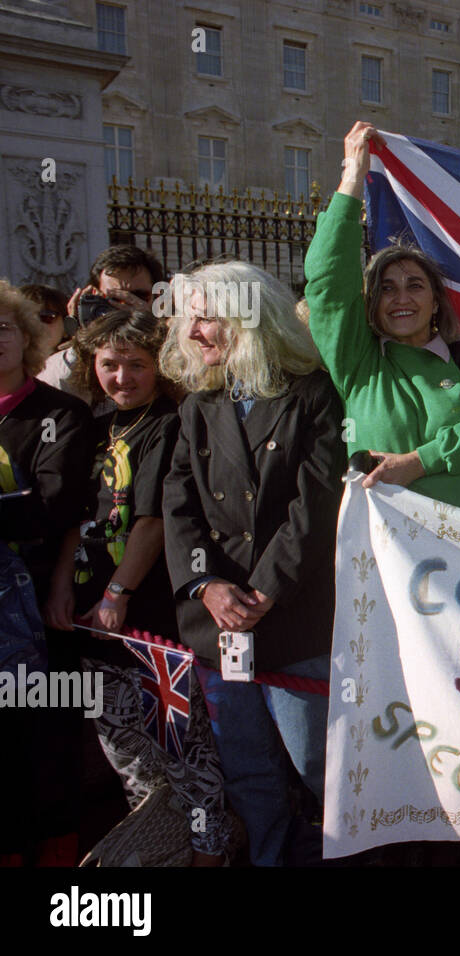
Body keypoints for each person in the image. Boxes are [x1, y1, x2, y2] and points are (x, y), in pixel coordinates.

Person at [161, 260, 346, 866]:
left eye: (206, 317)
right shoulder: (197, 405)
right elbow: (179, 503)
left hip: (292, 622)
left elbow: (315, 509)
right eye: (187, 318)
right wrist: (207, 584)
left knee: (319, 766)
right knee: (248, 772)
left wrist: (263, 592)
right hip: (217, 631)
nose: (191, 333)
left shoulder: (314, 394)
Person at [40, 308, 238, 866]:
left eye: (135, 365)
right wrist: (64, 588)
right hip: (93, 622)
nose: (122, 377)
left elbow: (151, 521)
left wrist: (117, 594)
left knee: (184, 749)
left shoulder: (171, 422)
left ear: (160, 367)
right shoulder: (96, 426)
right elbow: (79, 519)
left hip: (150, 624)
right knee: (130, 758)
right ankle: (156, 850)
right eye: (109, 364)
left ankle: (209, 851)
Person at [304, 120, 460, 516]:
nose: (400, 298)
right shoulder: (358, 362)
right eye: (386, 288)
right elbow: (327, 281)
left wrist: (418, 462)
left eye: (415, 286)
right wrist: (353, 176)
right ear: (372, 304)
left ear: (436, 302)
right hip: (389, 557)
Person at [0, 279, 95, 866]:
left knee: (46, 743)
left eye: (3, 328)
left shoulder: (61, 413)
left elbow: (55, 505)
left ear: (29, 337)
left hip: (38, 609)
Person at [42, 245, 165, 402]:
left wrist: (150, 327)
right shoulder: (72, 358)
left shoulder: (174, 346)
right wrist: (82, 336)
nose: (127, 306)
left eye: (139, 296)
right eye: (115, 298)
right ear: (94, 296)